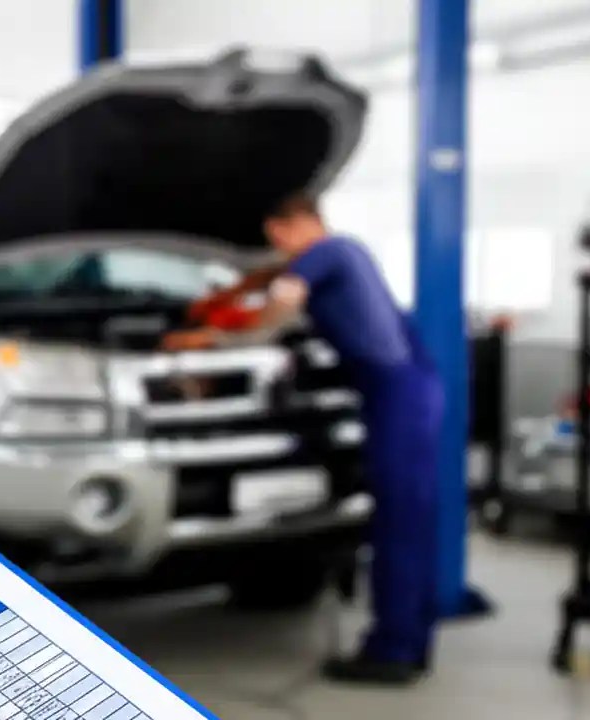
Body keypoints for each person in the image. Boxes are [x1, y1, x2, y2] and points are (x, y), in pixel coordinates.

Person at [170, 194, 444, 685]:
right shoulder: (346, 252)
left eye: (275, 235)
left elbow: (280, 310)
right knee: (414, 521)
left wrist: (208, 339)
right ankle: (414, 642)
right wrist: (234, 291)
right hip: (413, 388)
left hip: (394, 398)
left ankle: (392, 652)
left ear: (294, 224)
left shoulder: (324, 252)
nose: (276, 245)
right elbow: (276, 280)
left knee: (397, 524)